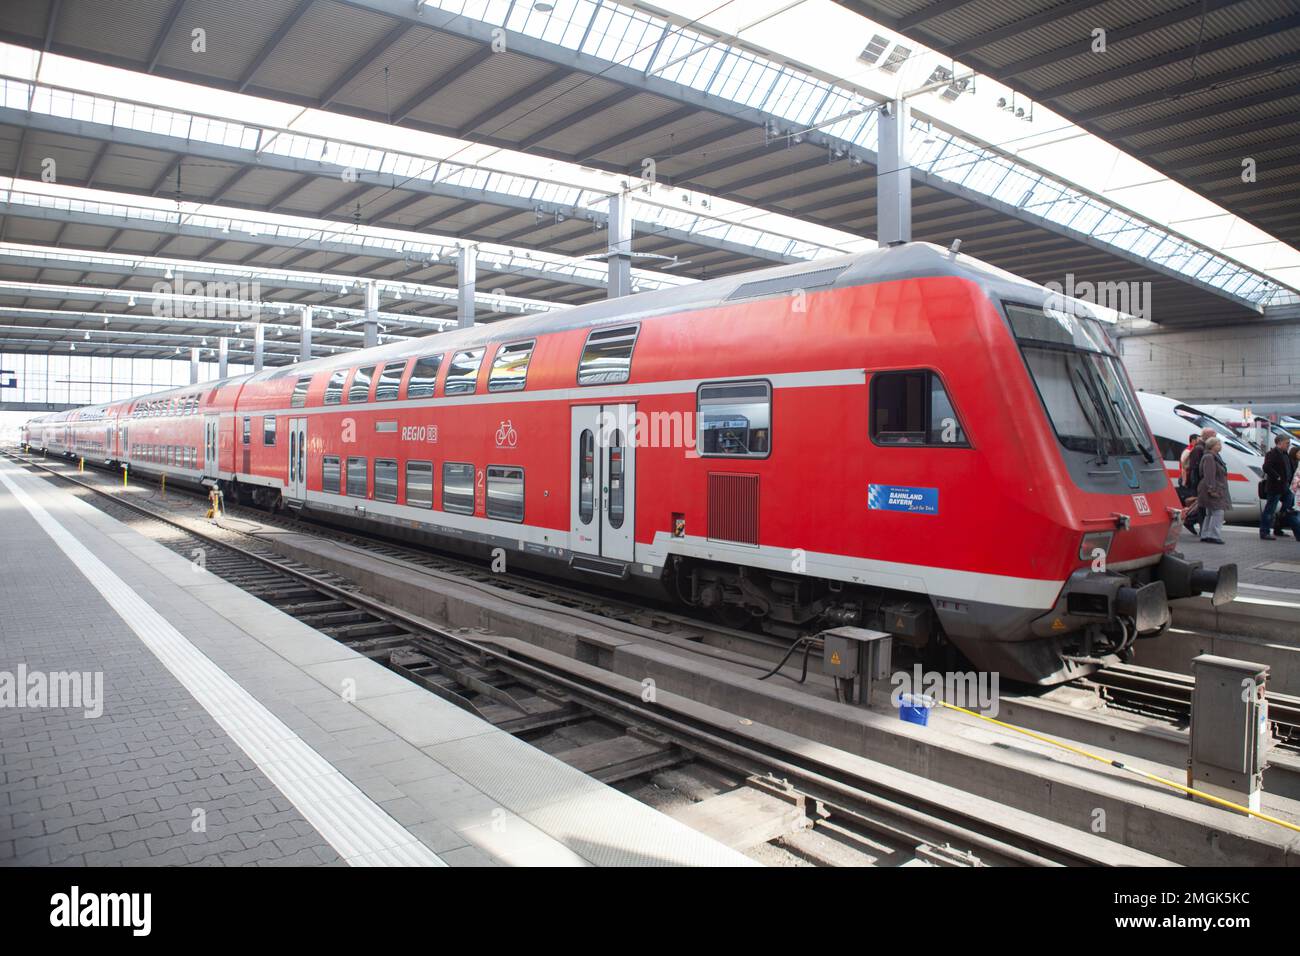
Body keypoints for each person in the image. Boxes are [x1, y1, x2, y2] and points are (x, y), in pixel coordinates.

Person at [1197, 436, 1230, 544]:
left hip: (1213, 487)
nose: (1220, 446)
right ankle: (1214, 535)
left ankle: (1206, 535)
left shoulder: (1212, 456)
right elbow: (1209, 475)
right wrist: (1212, 489)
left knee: (1210, 512)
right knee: (1218, 512)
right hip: (1213, 489)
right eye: (1218, 444)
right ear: (1212, 446)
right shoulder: (1210, 457)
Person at [1183, 427, 1215, 535]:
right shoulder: (1199, 449)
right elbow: (1195, 468)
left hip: (1199, 482)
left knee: (1202, 506)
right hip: (1198, 483)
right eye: (1213, 436)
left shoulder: (1202, 447)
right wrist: (1199, 484)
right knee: (1201, 506)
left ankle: (1195, 524)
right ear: (1207, 436)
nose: (1215, 439)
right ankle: (1193, 523)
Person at [1262, 434, 1294, 539]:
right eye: (1287, 443)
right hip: (1275, 487)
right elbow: (1266, 467)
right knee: (1270, 509)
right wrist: (1277, 477)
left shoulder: (1285, 454)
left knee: (1289, 503)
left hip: (1285, 486)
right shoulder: (1272, 454)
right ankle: (1265, 532)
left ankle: (1278, 527)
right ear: (1279, 443)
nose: (1288, 445)